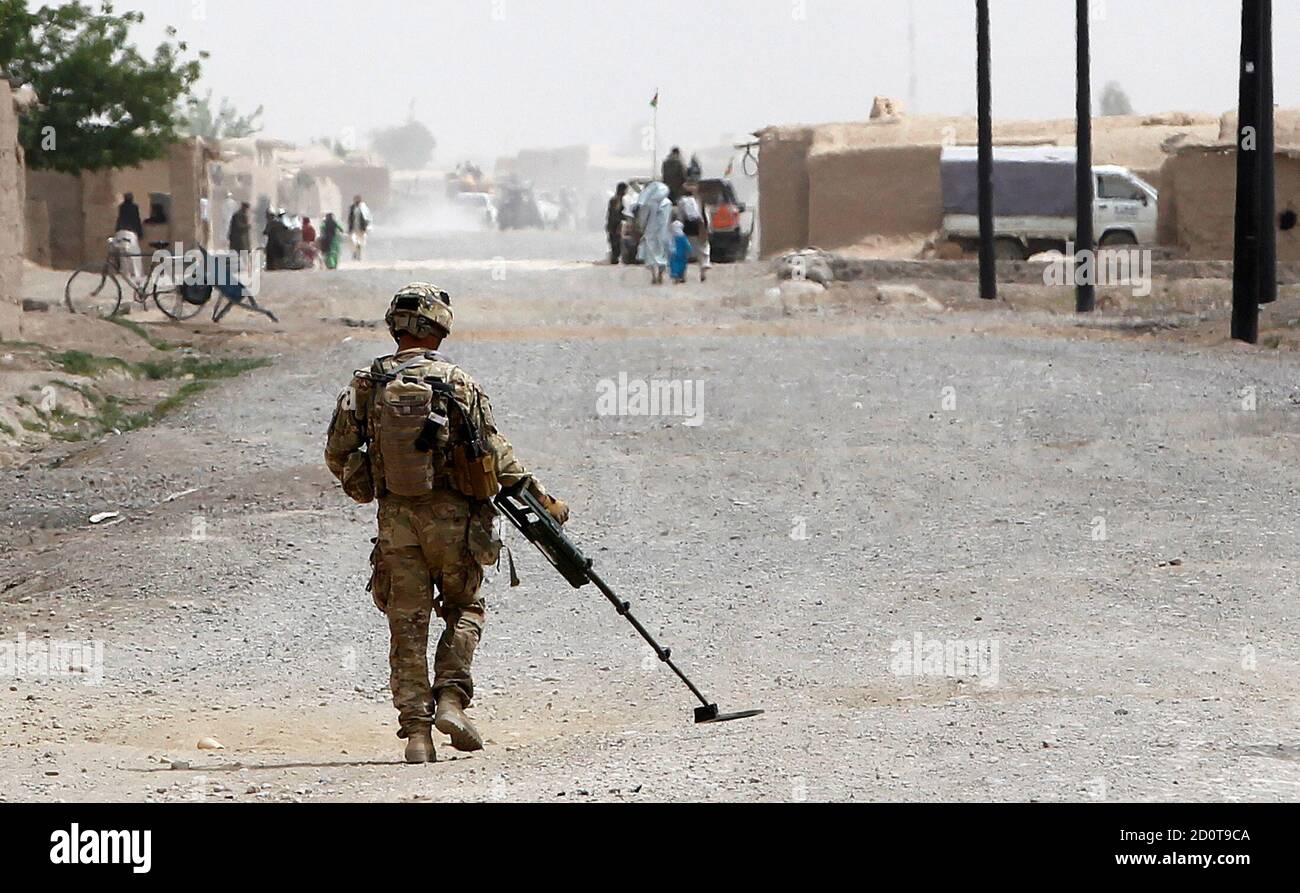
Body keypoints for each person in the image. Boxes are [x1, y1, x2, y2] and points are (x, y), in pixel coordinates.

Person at [325, 283, 571, 764]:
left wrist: (369, 484)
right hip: (457, 525)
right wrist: (543, 498)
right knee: (466, 607)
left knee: (407, 625)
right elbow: (495, 454)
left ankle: (417, 735)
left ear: (396, 326)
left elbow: (337, 452)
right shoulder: (458, 383)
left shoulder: (366, 384)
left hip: (397, 522)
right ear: (439, 328)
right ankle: (453, 700)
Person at [634, 181, 673, 285]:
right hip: (663, 232)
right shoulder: (668, 203)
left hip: (650, 231)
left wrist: (640, 228)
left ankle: (654, 276)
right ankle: (660, 274)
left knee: (651, 254)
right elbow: (670, 219)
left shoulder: (648, 203)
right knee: (663, 254)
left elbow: (643, 218)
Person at [677, 184, 711, 282]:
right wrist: (706, 228)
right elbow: (705, 216)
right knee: (703, 250)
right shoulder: (699, 201)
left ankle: (682, 275)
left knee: (684, 252)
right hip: (699, 228)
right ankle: (703, 272)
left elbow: (680, 217)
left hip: (686, 228)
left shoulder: (681, 201)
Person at [606, 182, 628, 264]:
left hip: (614, 224)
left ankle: (614, 258)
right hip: (614, 224)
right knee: (615, 242)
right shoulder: (616, 200)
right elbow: (615, 213)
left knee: (616, 242)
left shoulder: (618, 199)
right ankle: (614, 258)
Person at [348, 195, 372, 261]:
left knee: (360, 243)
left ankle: (359, 255)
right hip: (354, 228)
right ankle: (355, 253)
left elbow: (367, 217)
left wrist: (366, 227)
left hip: (361, 229)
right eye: (355, 199)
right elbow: (350, 218)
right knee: (353, 241)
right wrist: (349, 228)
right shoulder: (352, 207)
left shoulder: (363, 208)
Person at [669, 218, 692, 284]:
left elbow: (669, 244)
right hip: (683, 254)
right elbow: (687, 245)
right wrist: (690, 251)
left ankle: (675, 277)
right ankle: (682, 277)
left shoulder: (672, 237)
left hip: (674, 254)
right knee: (682, 266)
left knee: (674, 266)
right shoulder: (683, 237)